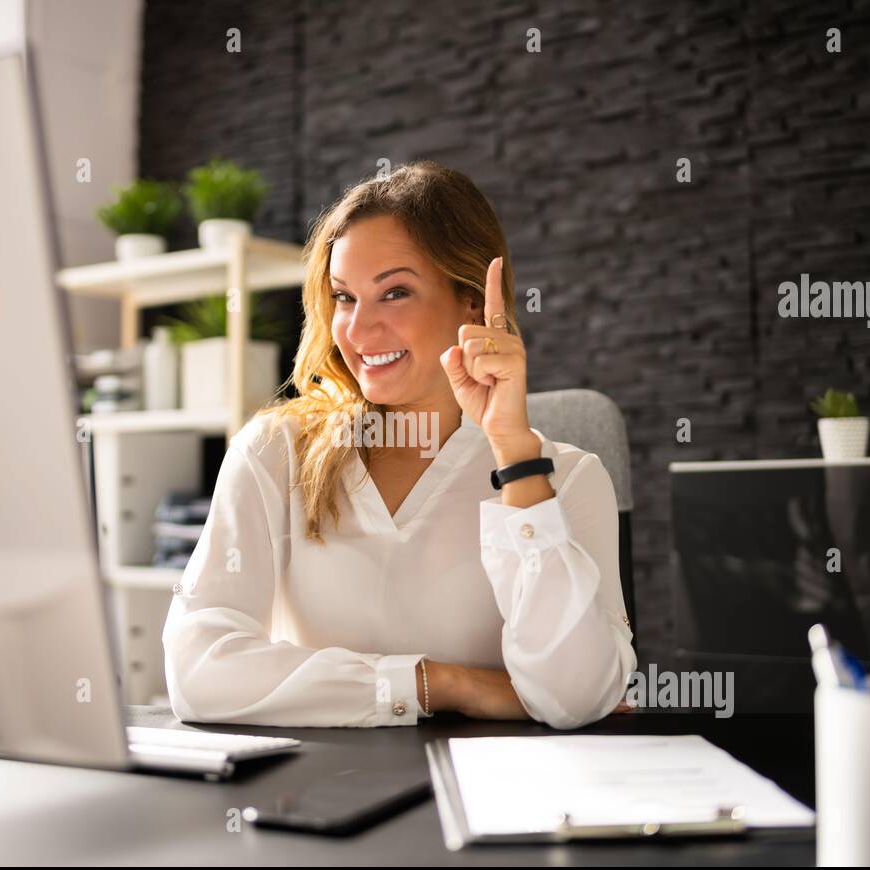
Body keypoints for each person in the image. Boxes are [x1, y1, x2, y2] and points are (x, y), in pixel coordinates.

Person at [162, 160, 635, 729]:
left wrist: (514, 455)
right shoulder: (275, 451)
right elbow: (196, 669)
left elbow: (577, 699)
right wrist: (440, 684)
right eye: (344, 297)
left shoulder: (568, 477)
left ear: (471, 300)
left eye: (395, 293)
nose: (359, 331)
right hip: (319, 798)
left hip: (495, 798)